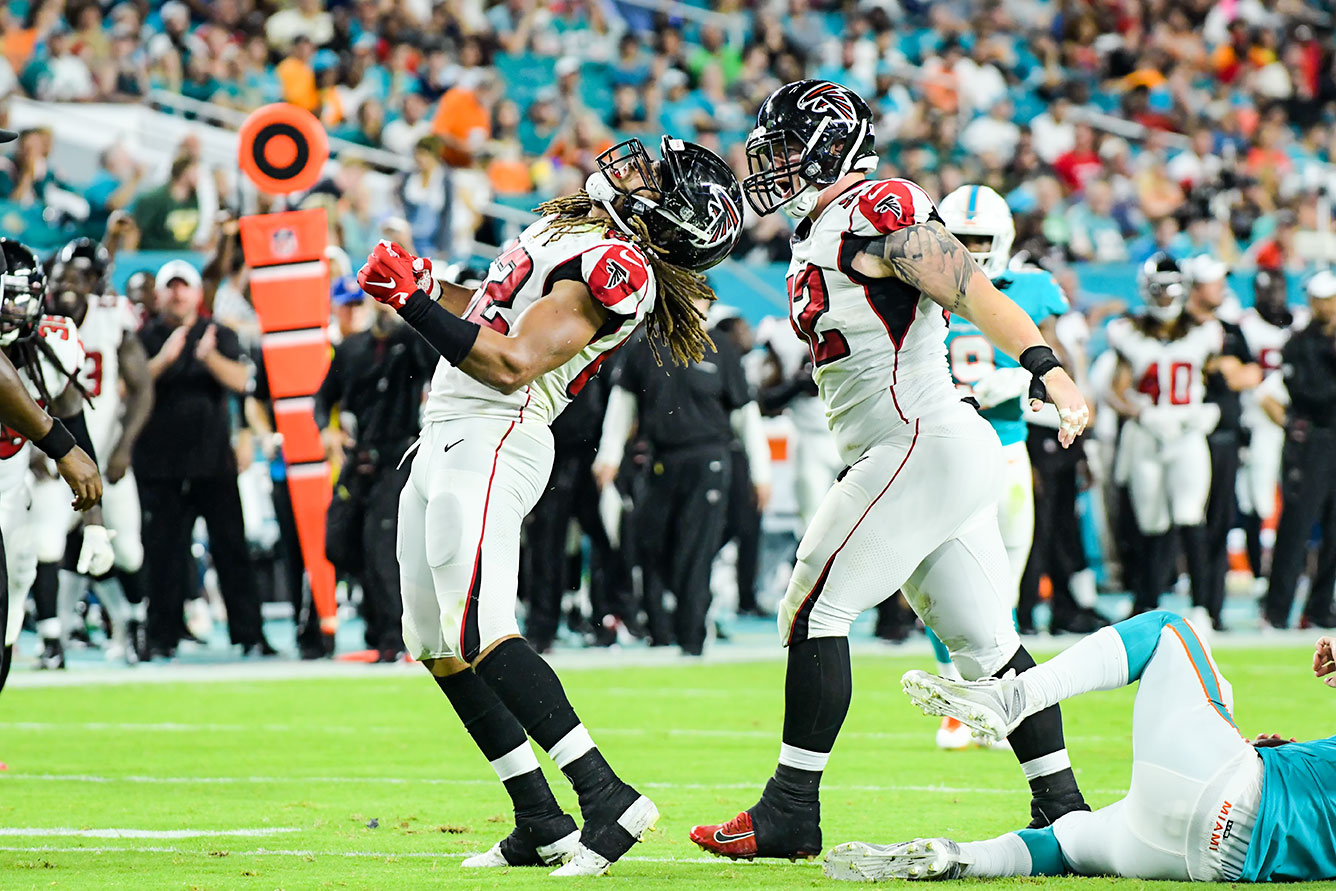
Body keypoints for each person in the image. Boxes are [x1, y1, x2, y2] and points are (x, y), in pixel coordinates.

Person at [690, 80, 1092, 861]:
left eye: (785, 146)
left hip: (918, 439)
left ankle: (790, 810)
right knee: (988, 642)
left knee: (812, 605)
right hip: (920, 448)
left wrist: (1048, 367)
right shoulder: (821, 228)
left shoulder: (877, 206)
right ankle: (1064, 806)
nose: (771, 162)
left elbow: (971, 290)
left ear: (834, 146)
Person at [355, 135, 744, 876]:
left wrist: (409, 303)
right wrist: (429, 284)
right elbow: (495, 310)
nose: (639, 174)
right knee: (435, 642)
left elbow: (513, 362)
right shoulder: (576, 227)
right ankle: (538, 815)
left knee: (479, 622)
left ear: (671, 223)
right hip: (446, 427)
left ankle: (607, 795)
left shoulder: (619, 266)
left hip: (498, 431)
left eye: (658, 183)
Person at [830, 617, 1336, 884]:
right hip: (1214, 861)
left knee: (1167, 631)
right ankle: (957, 857)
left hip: (1239, 789)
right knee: (1067, 842)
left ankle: (1012, 696)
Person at [932, 183, 1089, 748]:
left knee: (1009, 573)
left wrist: (1029, 383)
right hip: (945, 447)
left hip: (1006, 444)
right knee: (947, 575)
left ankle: (1000, 696)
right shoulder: (919, 284)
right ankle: (954, 695)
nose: (971, 250)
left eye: (981, 240)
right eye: (962, 239)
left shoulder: (1033, 289)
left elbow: (1062, 358)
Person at [591, 310, 761, 655]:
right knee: (652, 546)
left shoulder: (719, 348)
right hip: (659, 460)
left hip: (708, 458)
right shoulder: (645, 347)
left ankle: (692, 636)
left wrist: (761, 473)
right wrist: (608, 454)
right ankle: (660, 630)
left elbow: (745, 412)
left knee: (696, 551)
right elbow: (624, 403)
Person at [134, 259, 272, 658]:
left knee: (233, 550)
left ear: (197, 293)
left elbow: (244, 382)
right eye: (171, 287)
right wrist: (164, 358)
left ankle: (250, 635)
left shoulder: (218, 333)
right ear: (160, 295)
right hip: (159, 465)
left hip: (213, 463)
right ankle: (163, 635)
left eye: (184, 286)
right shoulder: (144, 336)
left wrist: (208, 357)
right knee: (163, 553)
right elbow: (130, 386)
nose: (178, 294)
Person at [28, 239, 152, 663]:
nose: (68, 286)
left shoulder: (111, 319)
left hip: (103, 453)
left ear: (93, 284)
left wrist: (122, 448)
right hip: (54, 455)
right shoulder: (34, 320)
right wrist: (32, 450)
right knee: (45, 544)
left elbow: (142, 388)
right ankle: (51, 639)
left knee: (127, 550)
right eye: (61, 277)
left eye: (79, 278)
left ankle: (135, 622)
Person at [1103, 254, 1240, 617]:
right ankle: (1146, 601)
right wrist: (1142, 411)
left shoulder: (1204, 332)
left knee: (1190, 515)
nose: (1164, 298)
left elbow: (1219, 377)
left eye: (1169, 289)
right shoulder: (1129, 332)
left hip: (1187, 433)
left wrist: (1209, 410)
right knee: (1150, 522)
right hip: (1148, 434)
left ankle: (1201, 607)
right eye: (1158, 290)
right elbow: (1114, 390)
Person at [0, 237, 102, 695]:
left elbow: (75, 423)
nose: (14, 310)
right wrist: (57, 443)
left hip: (10, 493)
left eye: (22, 298)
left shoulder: (52, 346)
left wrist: (96, 524)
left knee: (12, 595)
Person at [315, 297, 435, 663]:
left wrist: (410, 316)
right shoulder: (351, 348)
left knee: (382, 544)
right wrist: (327, 430)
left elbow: (436, 365)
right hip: (360, 455)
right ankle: (378, 624)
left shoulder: (413, 344)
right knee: (339, 542)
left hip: (399, 455)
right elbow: (323, 398)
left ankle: (394, 637)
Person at [1182, 255, 1261, 629]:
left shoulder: (1230, 329)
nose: (1221, 288)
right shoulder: (1177, 328)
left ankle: (1211, 607)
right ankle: (1175, 601)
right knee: (1183, 521)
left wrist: (1228, 370)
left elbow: (1251, 373)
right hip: (1185, 436)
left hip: (1226, 437)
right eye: (1213, 282)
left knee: (1218, 521)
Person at [1263, 271, 1336, 629]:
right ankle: (1277, 611)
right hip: (1312, 444)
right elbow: (1313, 396)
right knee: (1296, 527)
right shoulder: (1299, 344)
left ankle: (1320, 608)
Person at [1236, 269, 1303, 580]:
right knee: (1258, 498)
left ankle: (1294, 567)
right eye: (1266, 290)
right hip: (1258, 421)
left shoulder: (1300, 322)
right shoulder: (1245, 325)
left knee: (1299, 495)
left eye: (1278, 288)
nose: (1274, 296)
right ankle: (1261, 570)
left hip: (1299, 420)